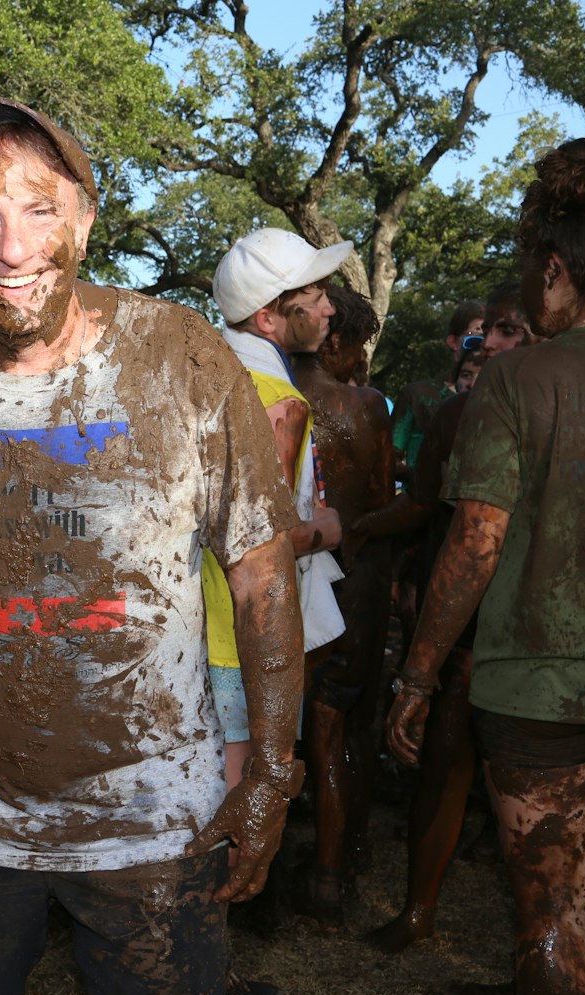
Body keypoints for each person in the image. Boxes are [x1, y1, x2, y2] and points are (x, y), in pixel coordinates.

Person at [0, 98, 305, 995]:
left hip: (157, 821)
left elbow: (261, 573)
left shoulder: (182, 354)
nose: (10, 250)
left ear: (86, 220)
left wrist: (272, 777)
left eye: (39, 210)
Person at [387, 136, 585, 995]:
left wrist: (418, 675)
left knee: (552, 921)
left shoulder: (517, 380)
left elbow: (475, 541)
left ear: (559, 270)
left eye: (534, 275)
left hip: (534, 691)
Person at [359, 285, 535, 955]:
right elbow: (423, 505)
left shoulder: (560, 410)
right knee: (443, 763)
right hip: (463, 618)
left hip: (533, 629)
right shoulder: (457, 415)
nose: (489, 342)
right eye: (487, 331)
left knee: (532, 789)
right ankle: (417, 911)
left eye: (509, 331)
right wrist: (360, 527)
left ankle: (549, 936)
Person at [201, 227, 348, 805]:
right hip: (240, 636)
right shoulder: (273, 396)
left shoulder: (209, 377)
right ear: (268, 319)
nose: (331, 309)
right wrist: (326, 531)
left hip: (199, 625)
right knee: (246, 793)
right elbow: (266, 537)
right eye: (315, 300)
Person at [290, 285, 393, 928]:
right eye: (357, 344)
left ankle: (278, 863)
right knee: (335, 731)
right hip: (348, 579)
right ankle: (331, 877)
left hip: (277, 580)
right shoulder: (364, 405)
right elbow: (381, 497)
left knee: (267, 728)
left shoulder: (265, 392)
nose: (360, 359)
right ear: (334, 339)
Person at [389, 299, 483, 474]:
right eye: (474, 338)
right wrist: (427, 479)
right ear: (452, 341)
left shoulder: (505, 398)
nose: (482, 347)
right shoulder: (417, 395)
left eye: (487, 339)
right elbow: (388, 464)